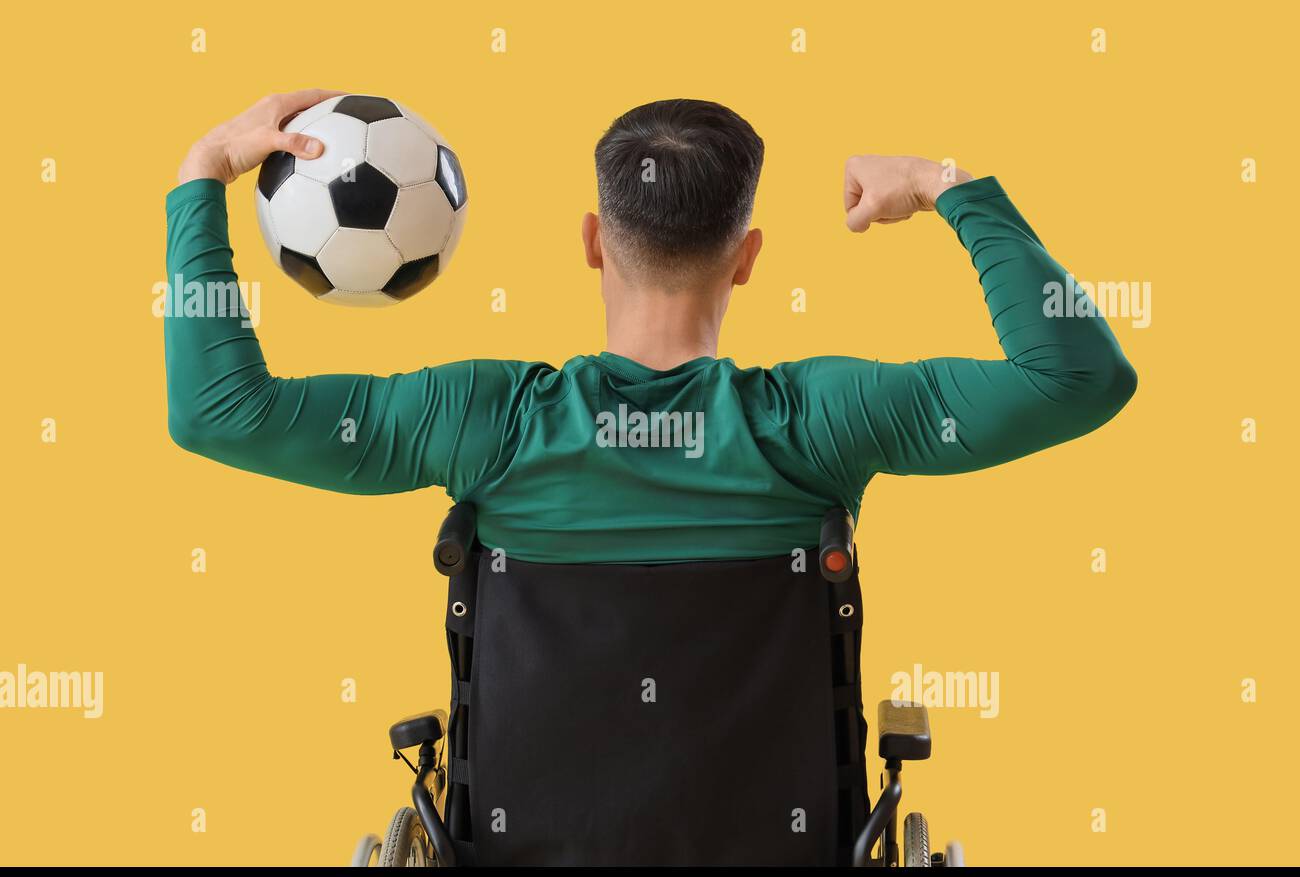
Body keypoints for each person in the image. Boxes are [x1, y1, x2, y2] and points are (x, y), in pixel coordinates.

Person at [165, 90, 1136, 564]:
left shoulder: (484, 417)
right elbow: (1078, 378)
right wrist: (942, 185)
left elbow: (219, 413)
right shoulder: (823, 419)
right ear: (747, 256)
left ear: (593, 242)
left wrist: (202, 174)